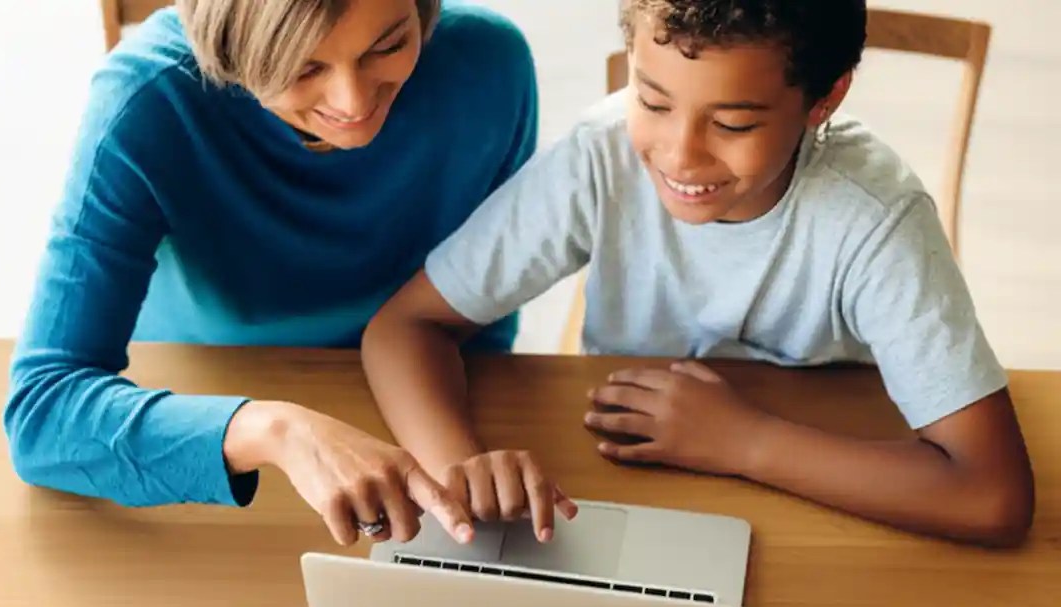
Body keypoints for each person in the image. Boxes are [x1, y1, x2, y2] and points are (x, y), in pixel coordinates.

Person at [361, 0, 1035, 548]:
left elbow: (992, 494)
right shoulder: (600, 156)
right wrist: (459, 466)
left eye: (733, 123)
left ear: (825, 99)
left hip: (832, 497)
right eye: (652, 102)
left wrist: (745, 441)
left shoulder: (874, 219)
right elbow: (405, 327)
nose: (679, 157)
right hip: (626, 477)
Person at [2, 0, 543, 548]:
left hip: (431, 414)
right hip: (199, 430)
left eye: (389, 46)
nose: (353, 103)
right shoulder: (146, 99)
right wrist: (278, 432)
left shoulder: (489, 67)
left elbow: (481, 322)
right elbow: (43, 412)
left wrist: (458, 466)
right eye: (303, 68)